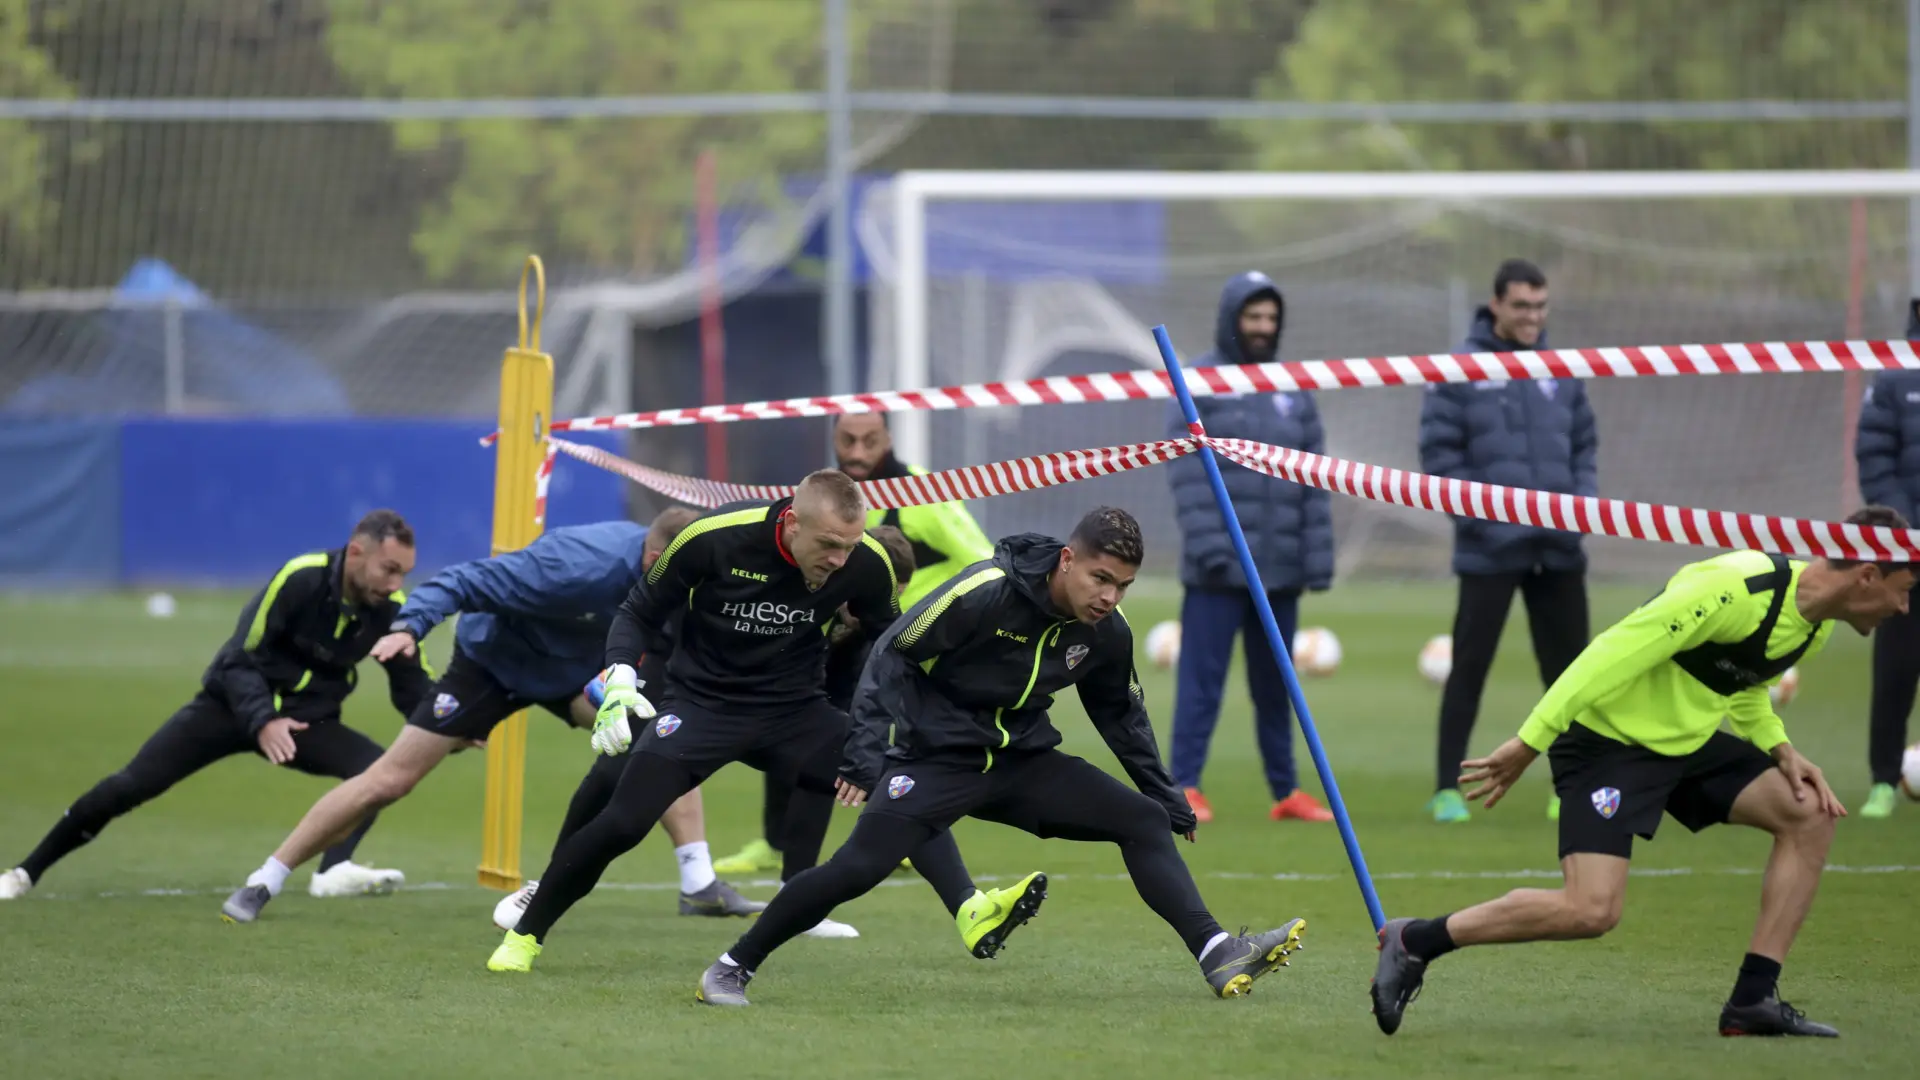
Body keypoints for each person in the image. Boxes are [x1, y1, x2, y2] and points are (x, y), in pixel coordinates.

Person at [694, 508, 1308, 1008]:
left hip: (1023, 764)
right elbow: (890, 653)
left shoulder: (1107, 630)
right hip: (937, 761)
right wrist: (864, 752)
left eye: (1121, 585)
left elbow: (1120, 713)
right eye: (1099, 578)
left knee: (1142, 821)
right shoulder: (983, 592)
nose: (1108, 596)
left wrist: (1165, 793)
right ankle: (731, 966)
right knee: (855, 870)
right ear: (1068, 560)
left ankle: (1217, 949)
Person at [1368, 506, 1916, 1039]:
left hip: (1686, 744)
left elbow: (1741, 681)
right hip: (1607, 746)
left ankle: (1753, 1000)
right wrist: (1530, 742)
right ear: (1868, 575)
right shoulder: (1734, 587)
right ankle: (1416, 941)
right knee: (1591, 910)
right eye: (1905, 588)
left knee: (1811, 815)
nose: (1905, 607)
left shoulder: (1812, 626)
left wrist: (1780, 748)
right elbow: (1611, 653)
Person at [220, 510, 761, 924]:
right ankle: (264, 880)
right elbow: (459, 582)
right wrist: (410, 626)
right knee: (391, 778)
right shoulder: (571, 565)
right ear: (653, 559)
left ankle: (700, 884)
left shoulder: (684, 570)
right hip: (492, 665)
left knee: (661, 737)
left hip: (572, 672)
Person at [485, 471, 931, 973]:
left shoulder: (864, 561)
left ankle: (969, 908)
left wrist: (900, 722)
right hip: (701, 707)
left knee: (904, 787)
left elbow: (895, 647)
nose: (839, 560)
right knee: (623, 821)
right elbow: (638, 611)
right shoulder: (713, 536)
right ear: (791, 522)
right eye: (828, 544)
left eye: (848, 547)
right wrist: (622, 677)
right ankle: (526, 934)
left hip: (792, 712)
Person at [0, 511, 423, 902]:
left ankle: (332, 872)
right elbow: (238, 657)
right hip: (230, 707)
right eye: (389, 570)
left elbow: (412, 685)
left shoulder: (390, 610)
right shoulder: (301, 578)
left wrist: (453, 721)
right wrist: (263, 720)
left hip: (304, 723)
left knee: (379, 772)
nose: (394, 584)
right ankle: (24, 872)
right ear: (355, 552)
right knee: (131, 785)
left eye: (402, 574)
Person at [714, 413, 995, 877]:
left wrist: (949, 619)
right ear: (834, 441)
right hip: (836, 633)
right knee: (798, 723)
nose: (859, 453)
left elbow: (980, 560)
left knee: (887, 733)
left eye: (870, 441)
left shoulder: (920, 492)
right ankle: (777, 844)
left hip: (900, 635)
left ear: (888, 438)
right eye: (848, 441)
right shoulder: (827, 496)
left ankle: (903, 833)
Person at [1418, 257, 1597, 824]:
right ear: (1495, 304)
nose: (1533, 317)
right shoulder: (1459, 370)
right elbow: (1440, 461)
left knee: (1572, 675)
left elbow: (1585, 448)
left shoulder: (1562, 368)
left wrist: (1578, 506)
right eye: (1522, 306)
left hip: (1558, 547)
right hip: (1490, 547)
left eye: (1541, 307)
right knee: (1469, 667)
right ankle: (1448, 788)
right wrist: (1494, 518)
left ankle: (1571, 784)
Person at [1165, 270, 1335, 826]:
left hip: (1279, 571)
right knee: (1200, 685)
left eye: (1270, 318)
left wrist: (1315, 558)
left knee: (1276, 688)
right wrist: (1217, 548)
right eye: (1252, 316)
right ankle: (1185, 786)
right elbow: (1189, 474)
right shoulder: (1200, 381)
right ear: (1231, 318)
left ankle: (1286, 790)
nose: (1262, 327)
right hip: (1216, 571)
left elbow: (1313, 477)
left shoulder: (1293, 387)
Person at [1852, 298, 1920, 818]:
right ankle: (1882, 781)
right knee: (1896, 669)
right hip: (1908, 554)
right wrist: (1905, 530)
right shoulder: (1895, 375)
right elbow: (1874, 455)